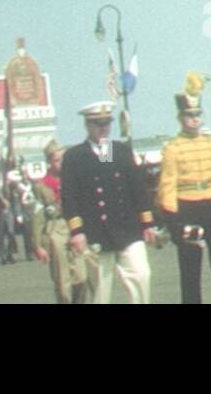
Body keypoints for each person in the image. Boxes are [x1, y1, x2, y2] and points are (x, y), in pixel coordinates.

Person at [158, 72, 211, 304]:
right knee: (190, 270)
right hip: (187, 207)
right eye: (189, 115)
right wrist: (172, 218)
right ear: (180, 118)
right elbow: (168, 185)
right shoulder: (173, 149)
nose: (194, 120)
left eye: (197, 114)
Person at [62, 101, 153, 304]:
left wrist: (146, 223)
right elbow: (69, 197)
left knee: (141, 275)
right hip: (97, 232)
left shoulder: (119, 151)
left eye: (106, 124)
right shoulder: (75, 157)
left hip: (127, 228)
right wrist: (76, 231)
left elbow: (137, 188)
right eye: (98, 124)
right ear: (87, 125)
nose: (103, 128)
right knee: (102, 292)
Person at [33, 139, 89, 304]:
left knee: (82, 277)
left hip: (75, 226)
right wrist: (37, 245)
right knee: (63, 283)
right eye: (57, 160)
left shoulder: (74, 179)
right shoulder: (42, 186)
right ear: (49, 162)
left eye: (63, 158)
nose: (61, 163)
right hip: (55, 229)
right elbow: (38, 217)